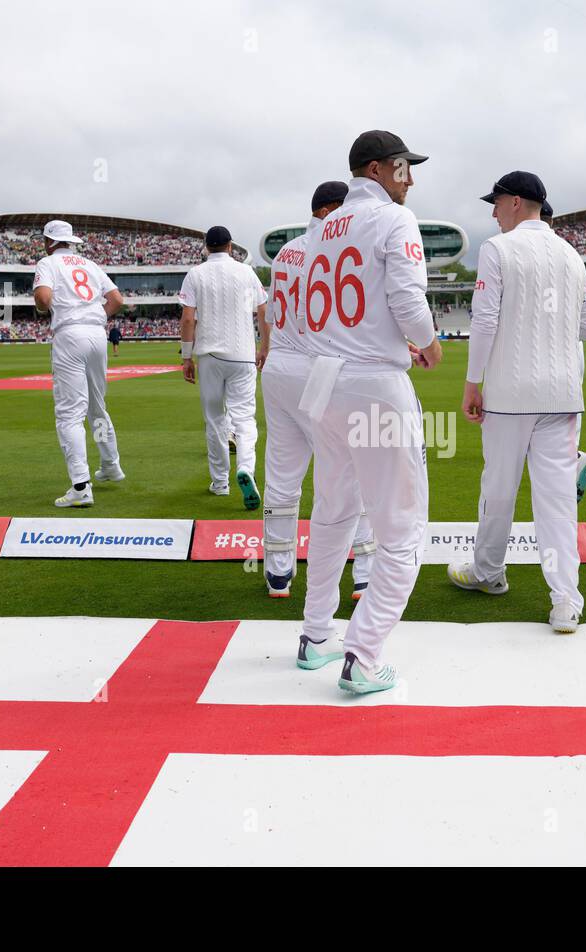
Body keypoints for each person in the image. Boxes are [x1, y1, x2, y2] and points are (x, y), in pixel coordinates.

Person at [296, 130, 442, 694]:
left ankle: (315, 637)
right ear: (379, 169)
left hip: (323, 381)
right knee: (402, 528)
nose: (412, 178)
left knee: (333, 511)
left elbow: (312, 319)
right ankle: (363, 654)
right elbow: (407, 298)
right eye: (406, 167)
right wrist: (427, 342)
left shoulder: (319, 229)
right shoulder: (394, 220)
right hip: (373, 383)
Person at [448, 172, 586, 633]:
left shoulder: (497, 249)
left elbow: (485, 320)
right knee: (556, 500)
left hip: (512, 393)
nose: (493, 212)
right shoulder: (571, 254)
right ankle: (565, 602)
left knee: (498, 488)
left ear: (515, 202)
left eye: (496, 203)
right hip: (563, 393)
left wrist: (474, 382)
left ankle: (488, 573)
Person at [262, 181, 376, 601]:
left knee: (282, 476)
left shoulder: (283, 251)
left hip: (278, 367)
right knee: (352, 471)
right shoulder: (335, 246)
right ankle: (363, 573)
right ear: (330, 210)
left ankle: (278, 574)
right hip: (320, 368)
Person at [32, 220, 126, 507]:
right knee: (97, 405)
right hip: (97, 334)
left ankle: (81, 485)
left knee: (69, 414)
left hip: (70, 334)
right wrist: (94, 316)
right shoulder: (89, 263)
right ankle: (110, 465)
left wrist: (44, 306)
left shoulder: (47, 263)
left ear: (48, 241)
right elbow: (116, 300)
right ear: (71, 241)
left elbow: (43, 298)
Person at [178, 226, 268, 509]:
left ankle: (220, 483)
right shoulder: (246, 272)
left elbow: (188, 319)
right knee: (244, 417)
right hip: (242, 354)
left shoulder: (196, 274)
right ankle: (246, 468)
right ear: (230, 247)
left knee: (215, 419)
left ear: (206, 247)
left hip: (210, 357)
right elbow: (264, 310)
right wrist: (265, 347)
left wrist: (186, 357)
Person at [543, 199, 586, 502]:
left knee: (531, 421)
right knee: (564, 419)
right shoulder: (569, 253)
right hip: (572, 347)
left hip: (543, 347)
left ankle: (571, 463)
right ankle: (571, 462)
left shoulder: (517, 249)